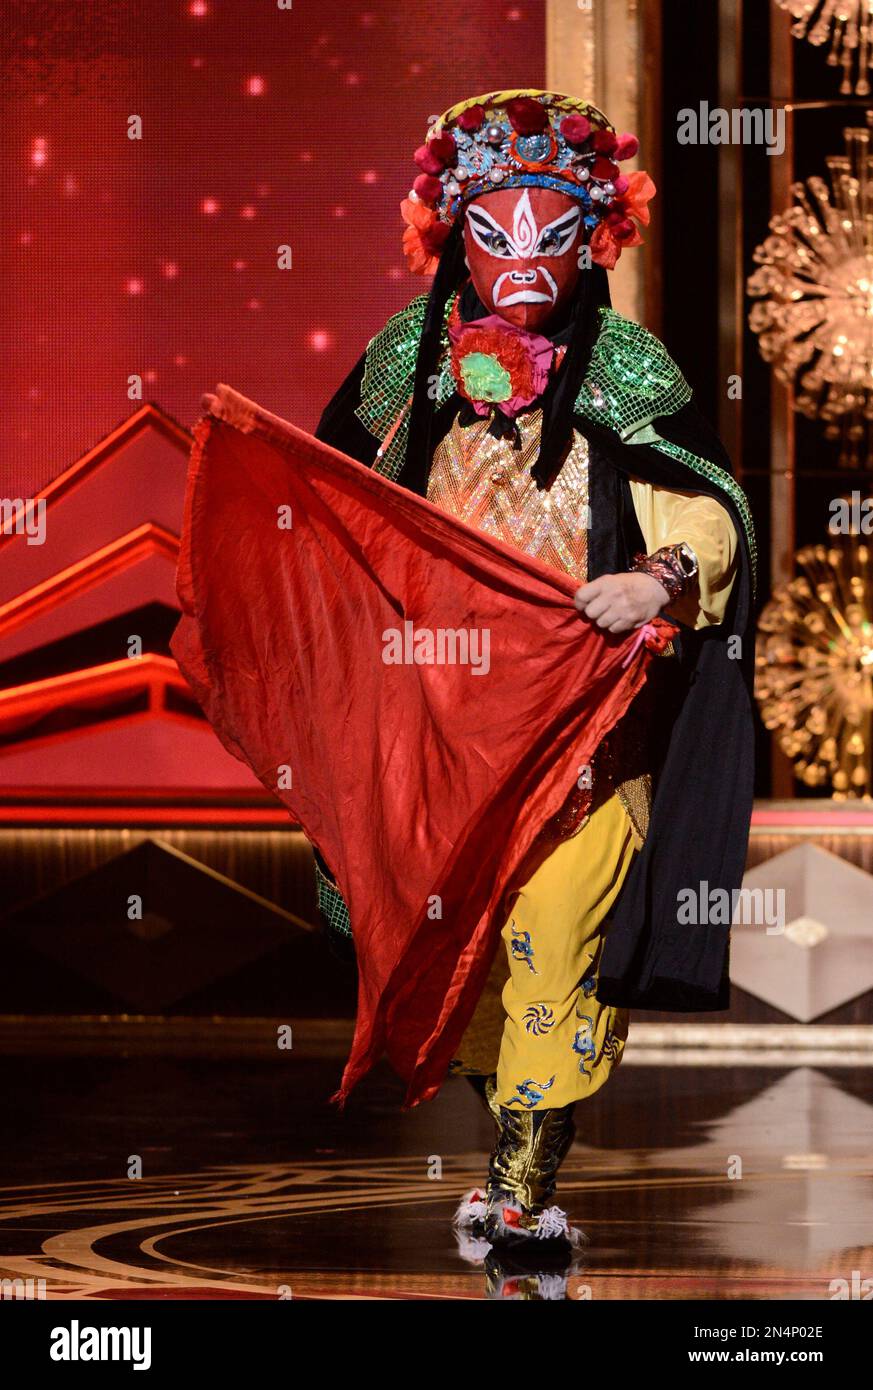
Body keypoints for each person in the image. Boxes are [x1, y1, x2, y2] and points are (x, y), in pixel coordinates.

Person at [195, 89, 756, 1257]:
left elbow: (706, 503)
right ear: (454, 230)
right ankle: (510, 1128)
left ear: (593, 234)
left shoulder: (626, 363)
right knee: (457, 946)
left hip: (580, 725)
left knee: (554, 931)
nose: (521, 263)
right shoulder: (407, 356)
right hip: (441, 725)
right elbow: (336, 491)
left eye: (551, 236)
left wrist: (658, 576)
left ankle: (520, 1183)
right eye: (495, 234)